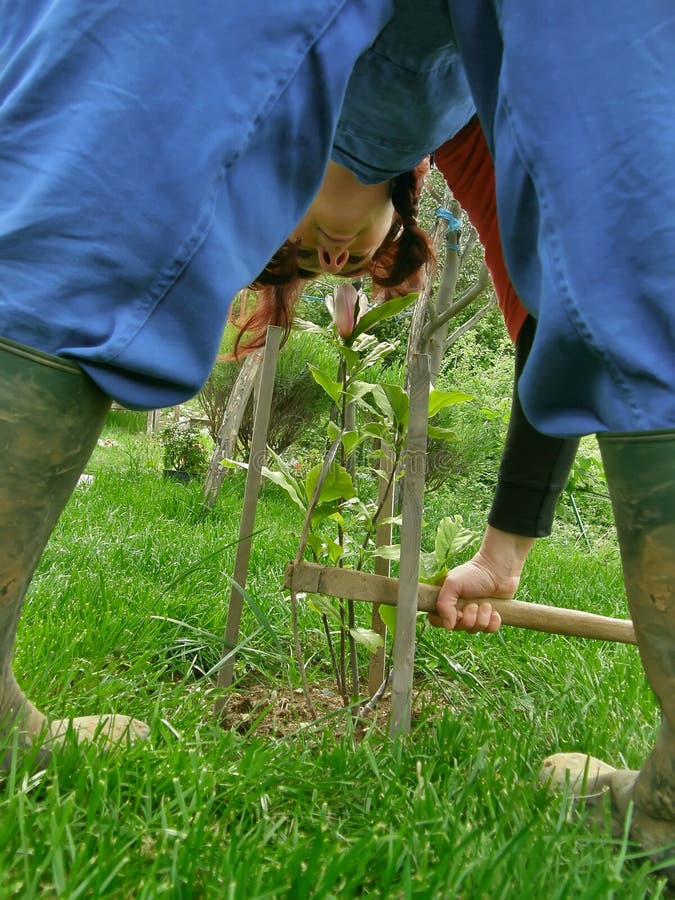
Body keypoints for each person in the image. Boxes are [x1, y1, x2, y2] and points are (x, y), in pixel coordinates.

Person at [0, 0, 672, 883]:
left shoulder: (471, 121)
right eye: (303, 261)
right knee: (78, 203)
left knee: (649, 241)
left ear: (408, 209)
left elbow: (560, 317)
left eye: (333, 262)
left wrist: (502, 554)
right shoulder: (281, 121)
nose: (329, 258)